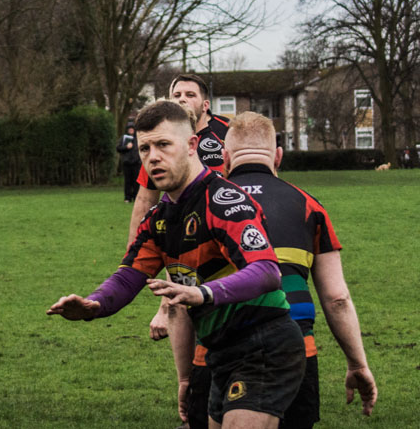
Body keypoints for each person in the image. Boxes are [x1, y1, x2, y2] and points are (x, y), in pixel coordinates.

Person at [49, 100, 305, 429]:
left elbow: (267, 272)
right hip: (220, 351)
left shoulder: (224, 201)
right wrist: (93, 305)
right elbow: (128, 277)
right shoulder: (158, 220)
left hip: (264, 344)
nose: (152, 157)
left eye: (163, 145)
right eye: (145, 148)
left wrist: (203, 294)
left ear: (191, 145)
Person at [174, 111, 376, 428]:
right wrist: (357, 364)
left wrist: (186, 377)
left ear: (225, 158)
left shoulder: (198, 208)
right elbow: (337, 298)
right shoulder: (309, 206)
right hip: (293, 352)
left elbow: (178, 304)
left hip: (215, 352)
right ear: (278, 156)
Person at [128, 73, 229, 245]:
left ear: (205, 105)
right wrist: (132, 251)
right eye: (177, 95)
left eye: (190, 95)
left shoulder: (225, 133)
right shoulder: (155, 146)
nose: (182, 99)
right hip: (175, 237)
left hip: (218, 236)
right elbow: (145, 199)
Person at [117, 123, 141, 202]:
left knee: (136, 181)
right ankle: (127, 197)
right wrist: (126, 147)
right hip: (126, 163)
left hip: (136, 163)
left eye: (132, 129)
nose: (131, 130)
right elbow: (118, 148)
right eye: (129, 129)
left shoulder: (138, 138)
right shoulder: (123, 138)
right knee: (127, 181)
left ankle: (136, 197)